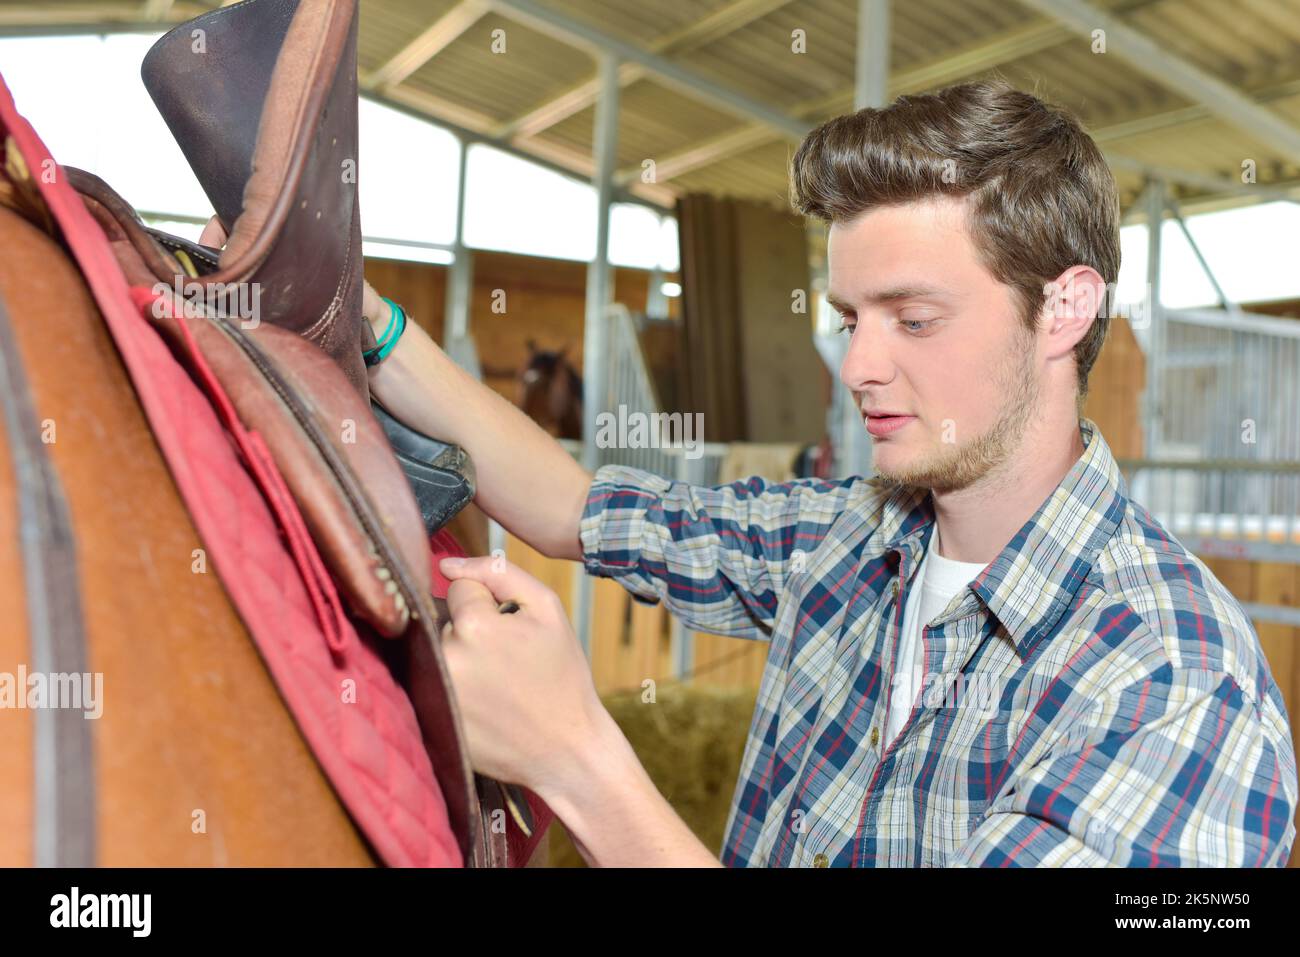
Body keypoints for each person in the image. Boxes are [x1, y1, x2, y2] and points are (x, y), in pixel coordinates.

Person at [356, 82, 1296, 867]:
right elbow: (575, 507)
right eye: (852, 318)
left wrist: (574, 758)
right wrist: (376, 332)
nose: (857, 368)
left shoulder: (1177, 687)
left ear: (1065, 308)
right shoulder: (845, 538)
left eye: (914, 318)